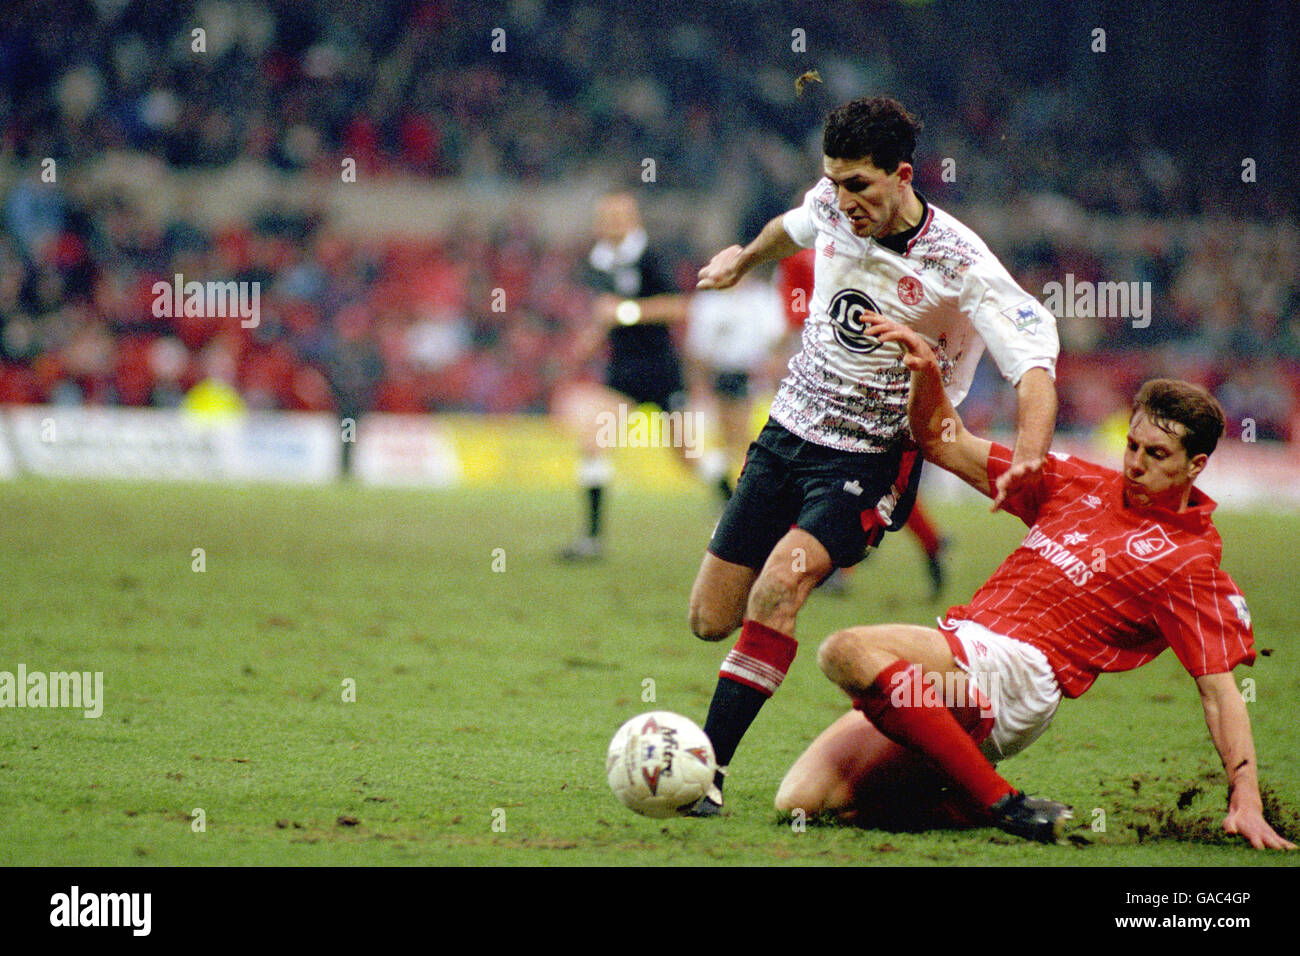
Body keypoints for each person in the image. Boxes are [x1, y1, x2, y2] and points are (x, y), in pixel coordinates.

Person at [775, 316, 1295, 849]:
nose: (1136, 463)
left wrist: (1246, 798)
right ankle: (959, 797)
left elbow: (1219, 692)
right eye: (1133, 446)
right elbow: (943, 441)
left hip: (1020, 674)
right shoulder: (1078, 481)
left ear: (1196, 465)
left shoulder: (1189, 561)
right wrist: (926, 370)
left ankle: (1002, 801)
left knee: (846, 650)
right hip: (966, 644)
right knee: (800, 801)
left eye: (1157, 455)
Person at [685, 96, 1060, 815]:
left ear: (902, 175)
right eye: (832, 180)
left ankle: (707, 771)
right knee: (709, 618)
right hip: (786, 433)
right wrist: (741, 260)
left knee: (779, 587)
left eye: (858, 184)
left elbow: (1035, 365)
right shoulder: (829, 203)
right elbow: (787, 228)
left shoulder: (961, 262)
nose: (842, 198)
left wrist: (1031, 456)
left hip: (869, 455)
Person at [553, 192, 729, 561]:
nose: (611, 224)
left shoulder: (652, 257)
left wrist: (627, 313)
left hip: (661, 370)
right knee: (593, 442)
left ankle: (733, 511)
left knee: (687, 455)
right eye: (606, 217)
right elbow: (606, 313)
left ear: (634, 220)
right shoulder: (598, 262)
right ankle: (592, 539)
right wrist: (591, 338)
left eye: (619, 217)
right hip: (621, 372)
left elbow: (679, 306)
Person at [777, 247, 950, 599]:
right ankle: (925, 543)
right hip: (860, 379)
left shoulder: (803, 260)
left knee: (842, 475)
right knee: (868, 479)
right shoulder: (877, 252)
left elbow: (795, 316)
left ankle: (838, 563)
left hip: (848, 383)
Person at [683, 270, 786, 498]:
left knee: (743, 435)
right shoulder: (708, 302)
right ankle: (738, 492)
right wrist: (699, 381)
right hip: (719, 373)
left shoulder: (762, 299)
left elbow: (777, 339)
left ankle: (748, 491)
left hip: (751, 373)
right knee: (727, 438)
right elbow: (697, 348)